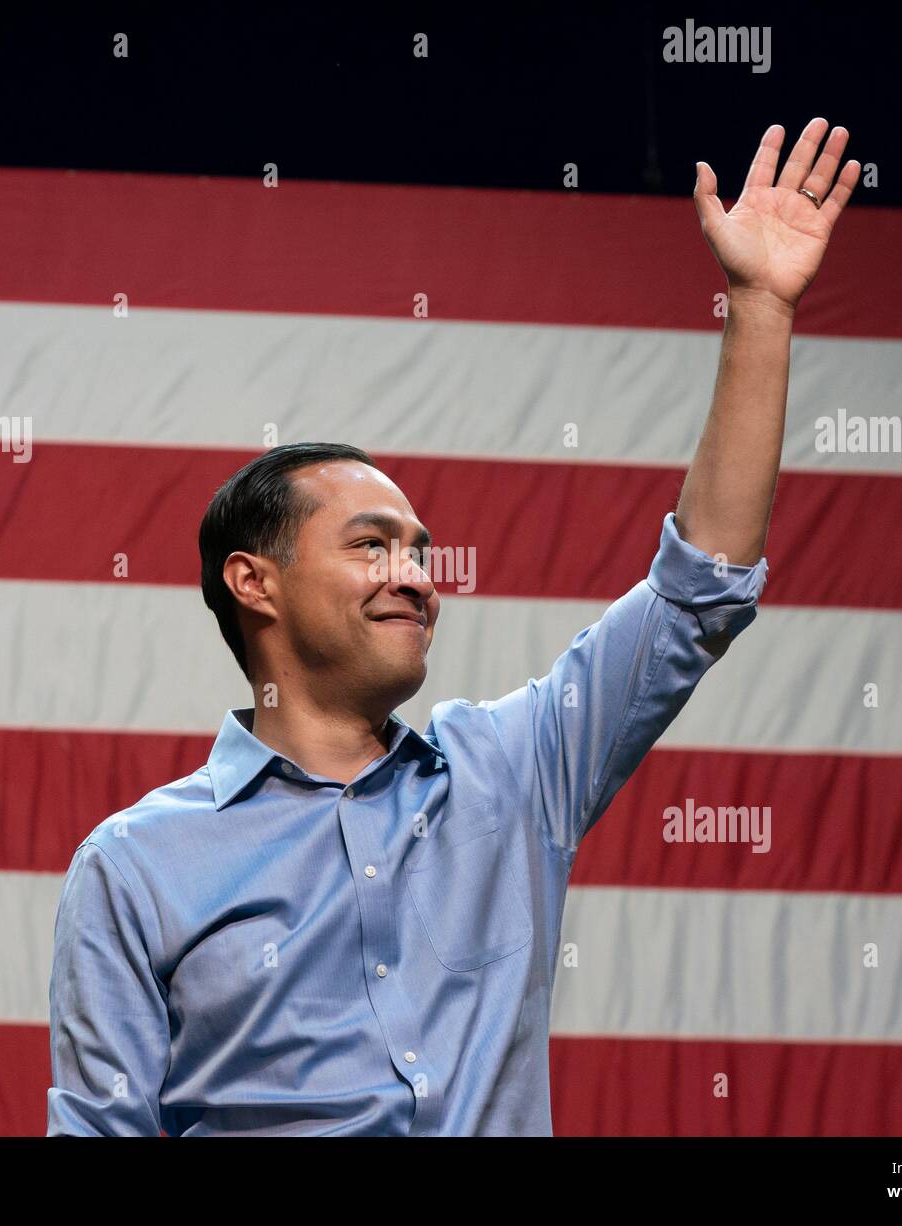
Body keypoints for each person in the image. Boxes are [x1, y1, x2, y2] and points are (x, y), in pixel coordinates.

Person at [47, 119, 858, 1136]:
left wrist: (760, 308)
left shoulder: (514, 769)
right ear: (253, 581)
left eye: (422, 552)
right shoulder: (132, 866)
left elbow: (698, 593)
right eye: (373, 545)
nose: (416, 577)